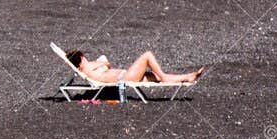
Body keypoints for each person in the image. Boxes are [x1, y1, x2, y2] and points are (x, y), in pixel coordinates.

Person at [64, 49, 203, 85]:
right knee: (147, 55)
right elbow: (105, 61)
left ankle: (188, 77)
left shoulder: (88, 68)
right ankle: (166, 77)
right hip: (124, 78)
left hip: (125, 77)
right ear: (82, 58)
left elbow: (105, 61)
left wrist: (102, 64)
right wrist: (101, 63)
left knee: (156, 77)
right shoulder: (88, 67)